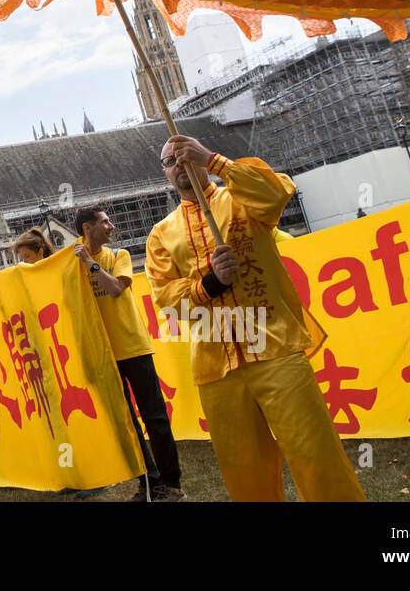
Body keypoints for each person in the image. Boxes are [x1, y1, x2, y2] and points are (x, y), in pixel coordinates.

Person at [145, 134, 365, 502]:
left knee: (314, 450)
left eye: (186, 156)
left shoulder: (243, 198)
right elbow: (168, 303)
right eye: (171, 161)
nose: (180, 165)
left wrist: (214, 159)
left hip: (274, 345)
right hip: (216, 365)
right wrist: (211, 283)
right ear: (165, 173)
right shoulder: (161, 235)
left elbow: (277, 192)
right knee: (245, 470)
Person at [71, 203, 183, 502]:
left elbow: (116, 289)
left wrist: (90, 265)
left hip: (133, 347)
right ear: (88, 229)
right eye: (106, 222)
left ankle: (172, 486)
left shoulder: (118, 256)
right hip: (102, 355)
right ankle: (148, 483)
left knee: (154, 418)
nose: (112, 226)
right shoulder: (69, 263)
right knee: (126, 425)